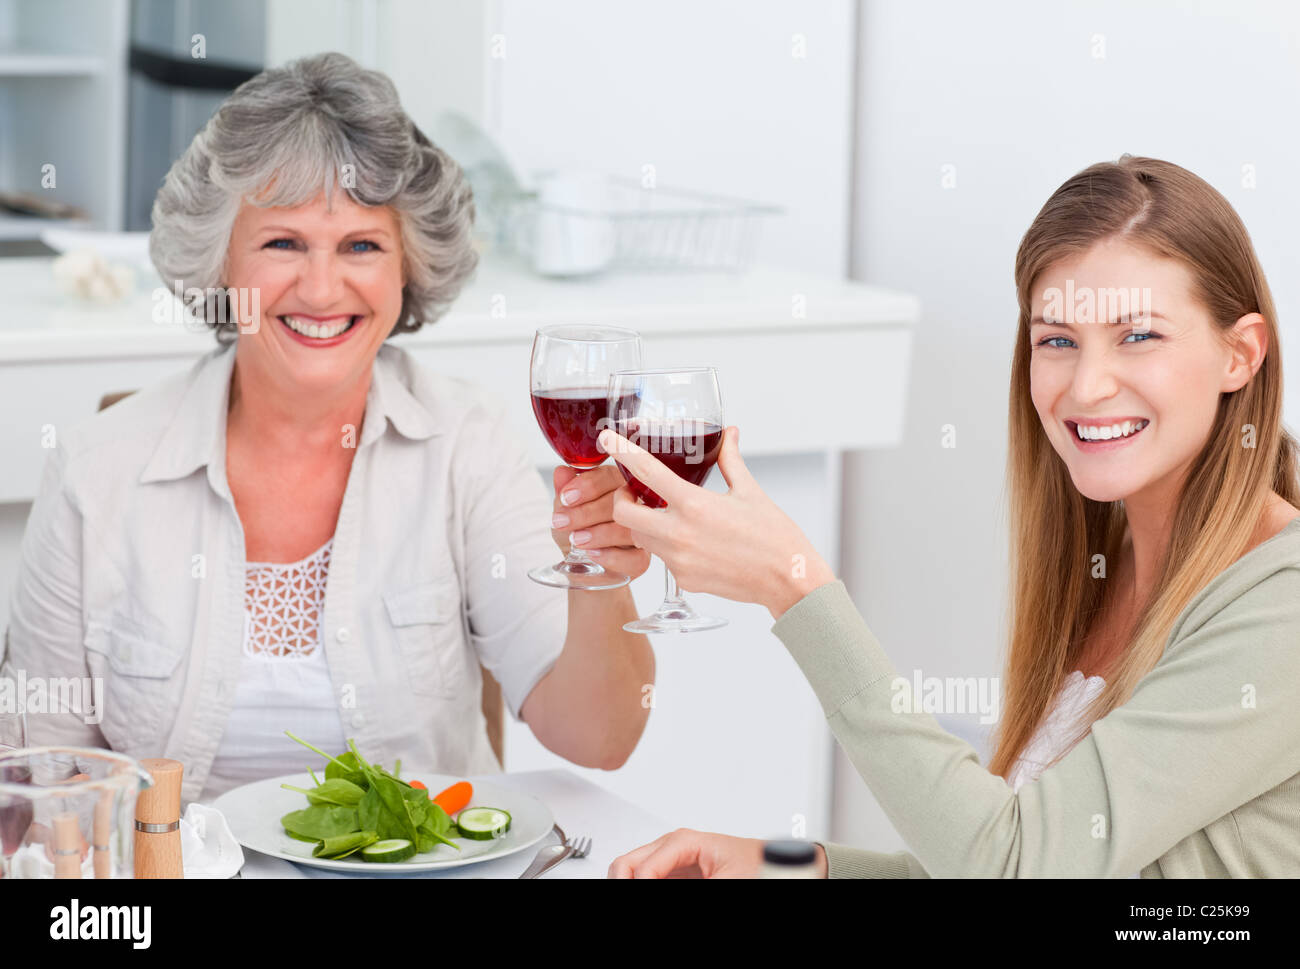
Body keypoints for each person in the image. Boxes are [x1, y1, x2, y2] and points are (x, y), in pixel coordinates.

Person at [602, 156, 1300, 877]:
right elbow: (1007, 853)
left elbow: (1011, 863)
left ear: (1240, 354)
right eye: (1057, 340)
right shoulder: (1114, 562)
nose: (1087, 386)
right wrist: (787, 867)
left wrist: (795, 587)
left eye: (1138, 336)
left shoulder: (1282, 608)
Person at [0, 52, 654, 805]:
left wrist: (600, 573)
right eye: (282, 243)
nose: (319, 288)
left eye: (361, 246)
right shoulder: (94, 472)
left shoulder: (466, 445)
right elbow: (37, 788)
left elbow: (601, 738)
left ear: (408, 267)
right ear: (221, 267)